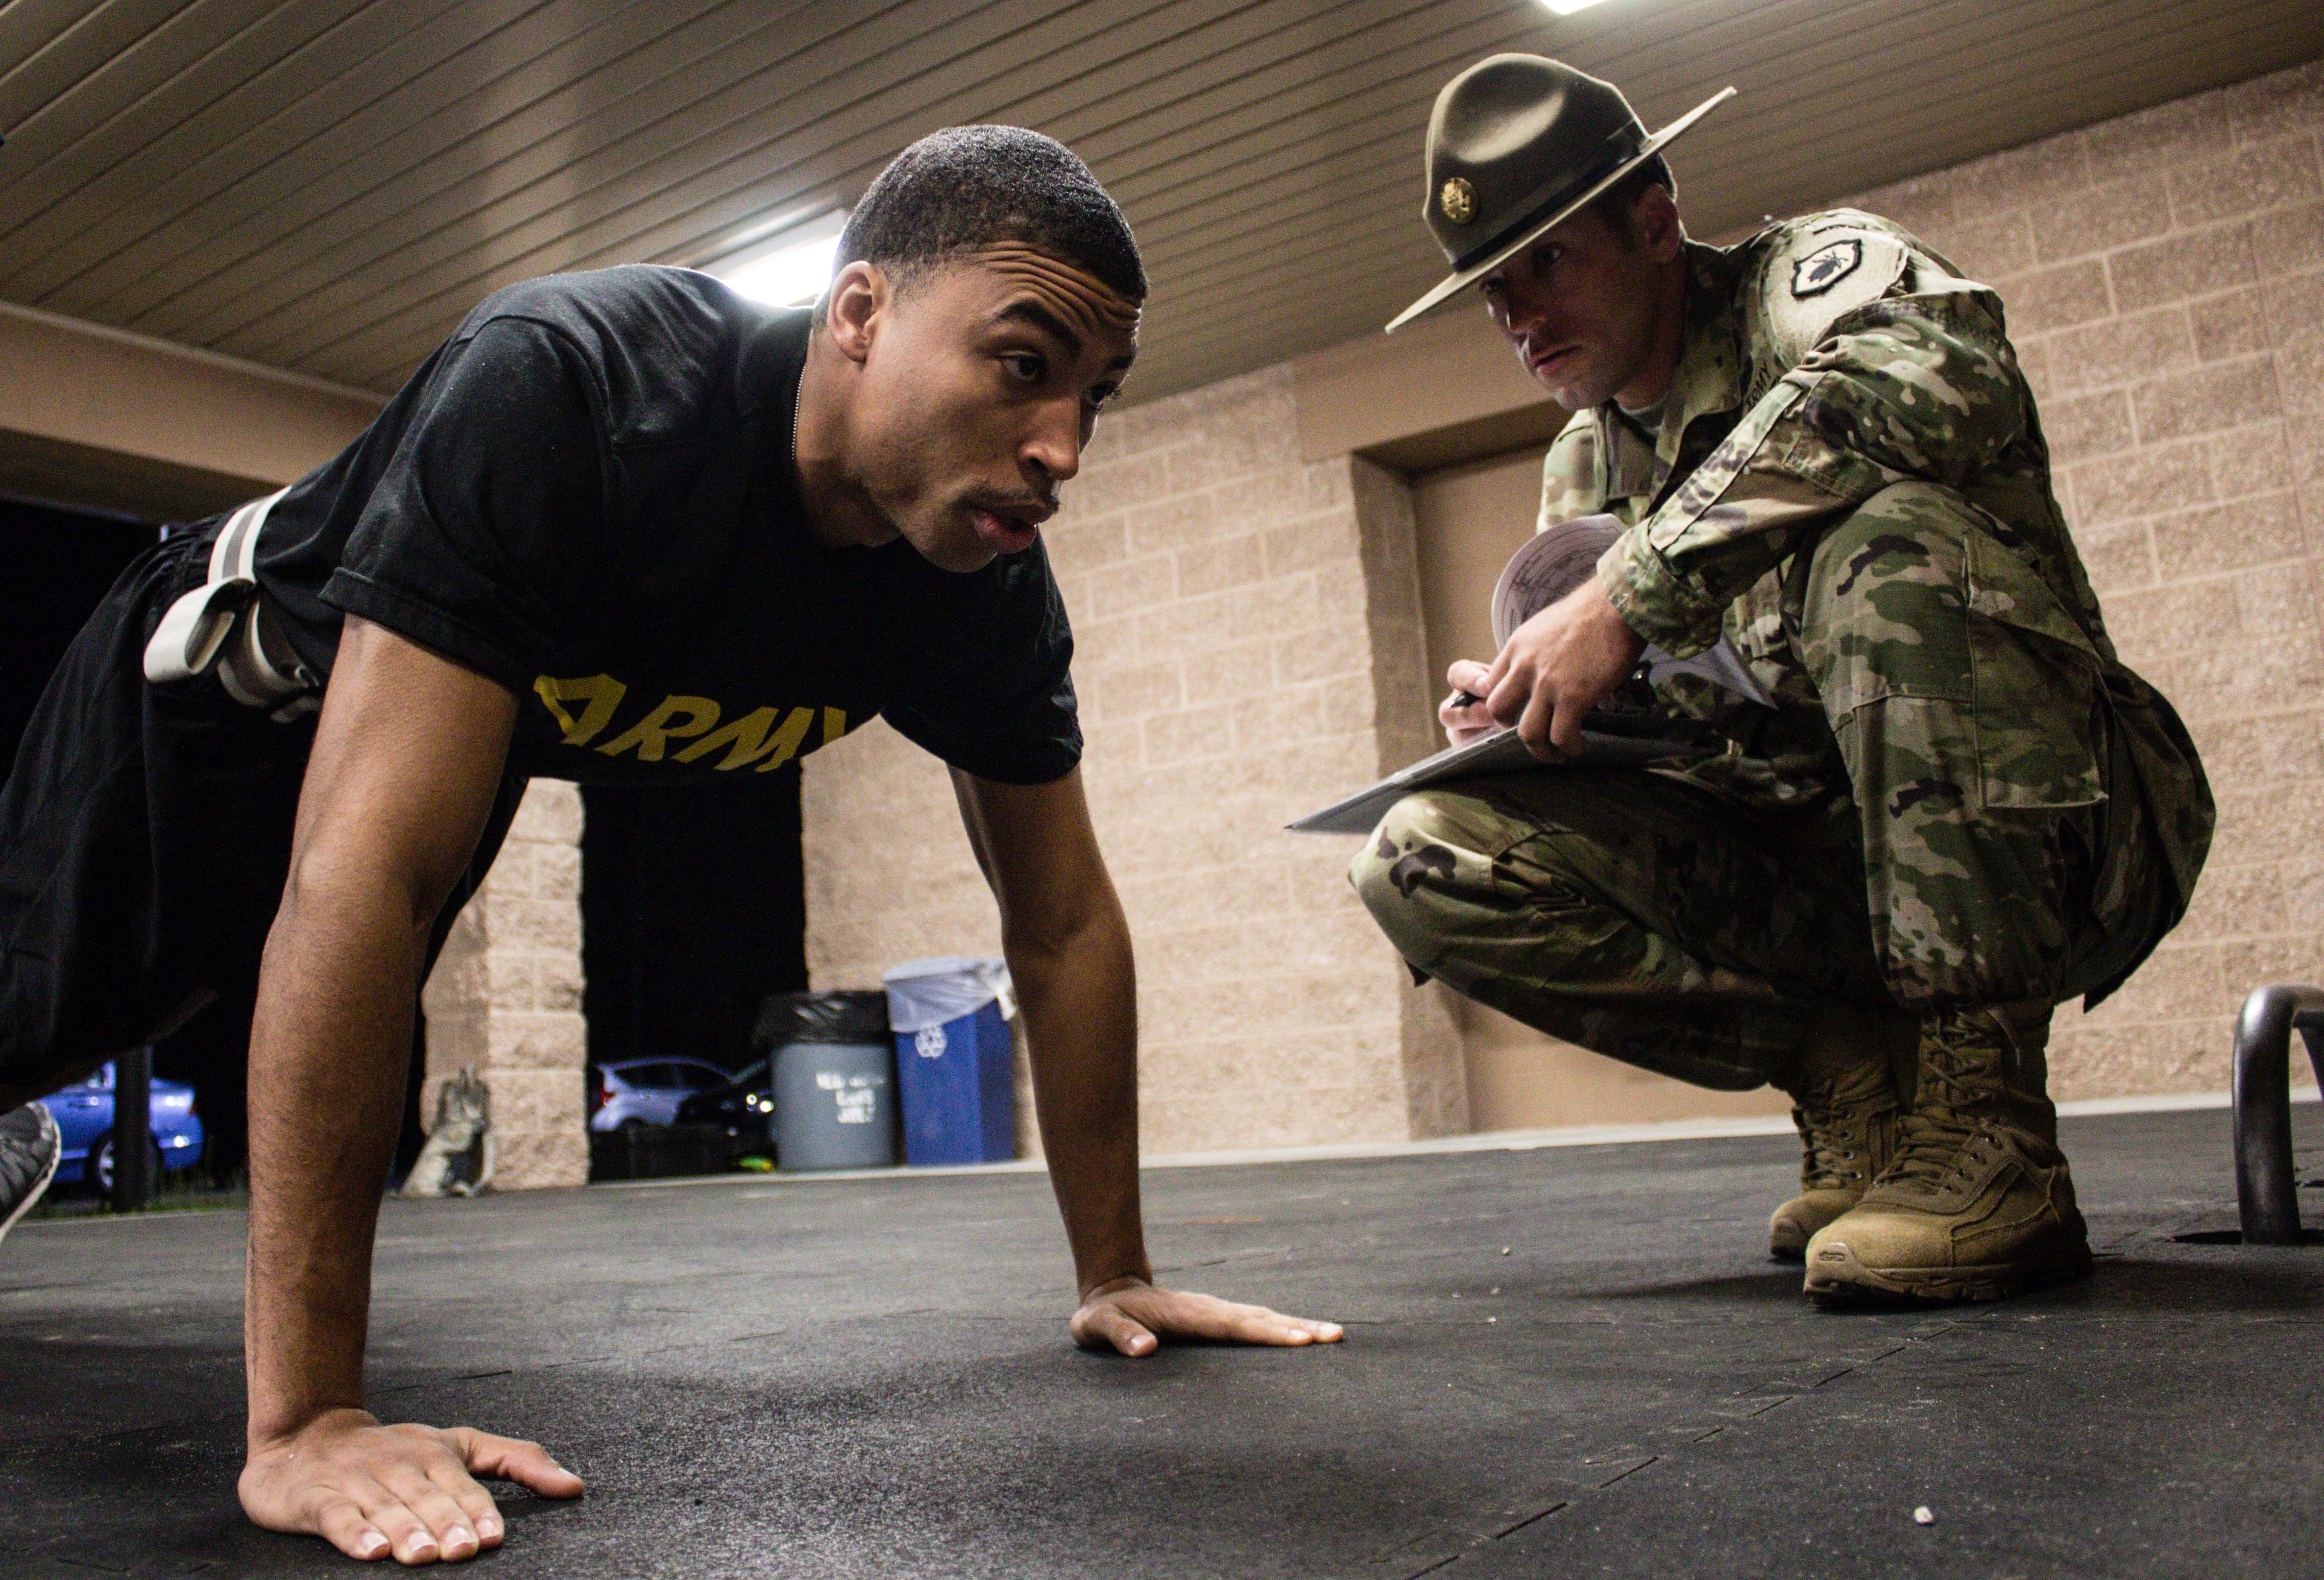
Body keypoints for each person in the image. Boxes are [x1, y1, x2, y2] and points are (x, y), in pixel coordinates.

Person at [0, 126, 1340, 1565]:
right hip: (212, 701)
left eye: (1097, 396)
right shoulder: (571, 388)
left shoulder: (976, 574)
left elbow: (1062, 923)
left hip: (438, 733)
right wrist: (307, 1428)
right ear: (861, 315)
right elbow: (362, 878)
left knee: (203, 998)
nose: (1064, 447)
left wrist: (1116, 1271)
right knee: (55, 1010)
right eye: (1025, 365)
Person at [1350, 58, 2212, 1305]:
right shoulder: (1582, 468)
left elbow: (1930, 373)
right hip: (1822, 868)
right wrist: (1545, 721)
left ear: (1652, 221)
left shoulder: (1813, 281)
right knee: (1421, 853)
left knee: (1885, 544)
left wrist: (1628, 595)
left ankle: (1985, 1131)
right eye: (1491, 294)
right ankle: (1852, 1084)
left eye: (1546, 263)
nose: (1520, 318)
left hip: (2069, 818)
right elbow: (1702, 734)